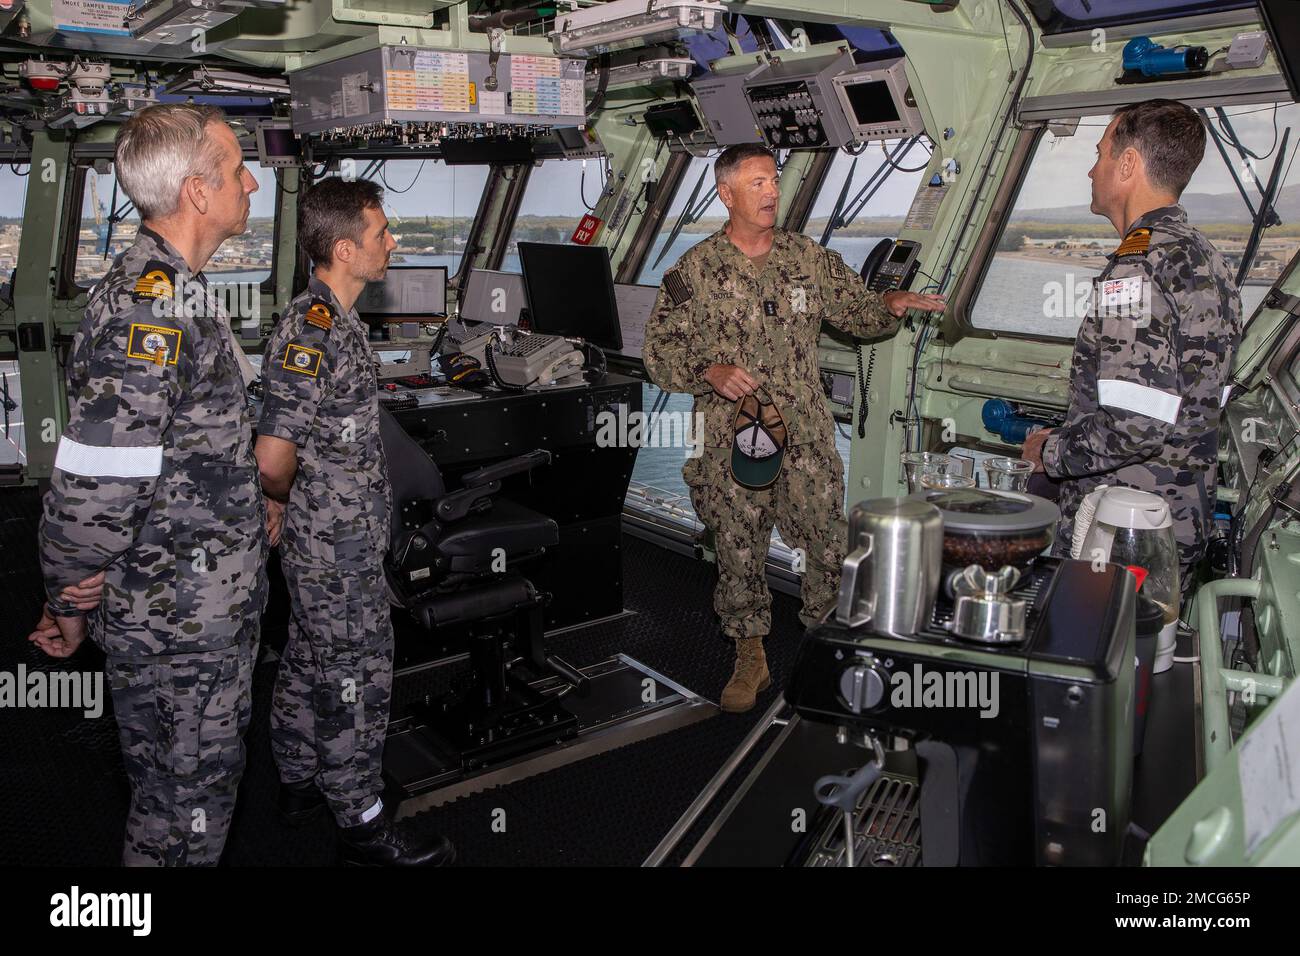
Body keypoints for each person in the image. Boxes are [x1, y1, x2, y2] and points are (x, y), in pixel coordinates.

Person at [28, 103, 268, 865]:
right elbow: (94, 492)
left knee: (186, 790)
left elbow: (172, 450)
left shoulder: (175, 293)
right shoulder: (153, 309)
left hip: (197, 606)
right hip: (178, 624)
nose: (252, 183)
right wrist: (67, 599)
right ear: (198, 192)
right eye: (236, 170)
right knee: (180, 810)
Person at [642, 142, 945, 713]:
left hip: (803, 432)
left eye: (773, 181)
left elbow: (859, 313)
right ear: (726, 194)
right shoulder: (692, 273)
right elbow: (659, 354)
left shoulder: (808, 258)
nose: (771, 192)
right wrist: (708, 370)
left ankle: (823, 650)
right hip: (730, 437)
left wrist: (893, 303)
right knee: (737, 545)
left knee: (829, 545)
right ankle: (749, 656)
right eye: (756, 183)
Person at [255, 177, 454, 866]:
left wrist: (291, 497)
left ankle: (298, 778)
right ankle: (362, 817)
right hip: (334, 549)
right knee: (358, 675)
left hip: (330, 539)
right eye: (380, 234)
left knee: (310, 656)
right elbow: (271, 455)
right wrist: (281, 496)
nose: (391, 242)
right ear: (345, 248)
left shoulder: (332, 321)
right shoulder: (312, 329)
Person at [1022, 99, 1242, 582]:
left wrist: (1050, 452)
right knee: (1144, 656)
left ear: (1127, 164)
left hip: (1120, 529)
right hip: (1172, 520)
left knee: (1092, 650)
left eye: (1101, 153)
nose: (1090, 169)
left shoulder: (1137, 268)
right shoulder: (1207, 258)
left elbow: (1136, 425)